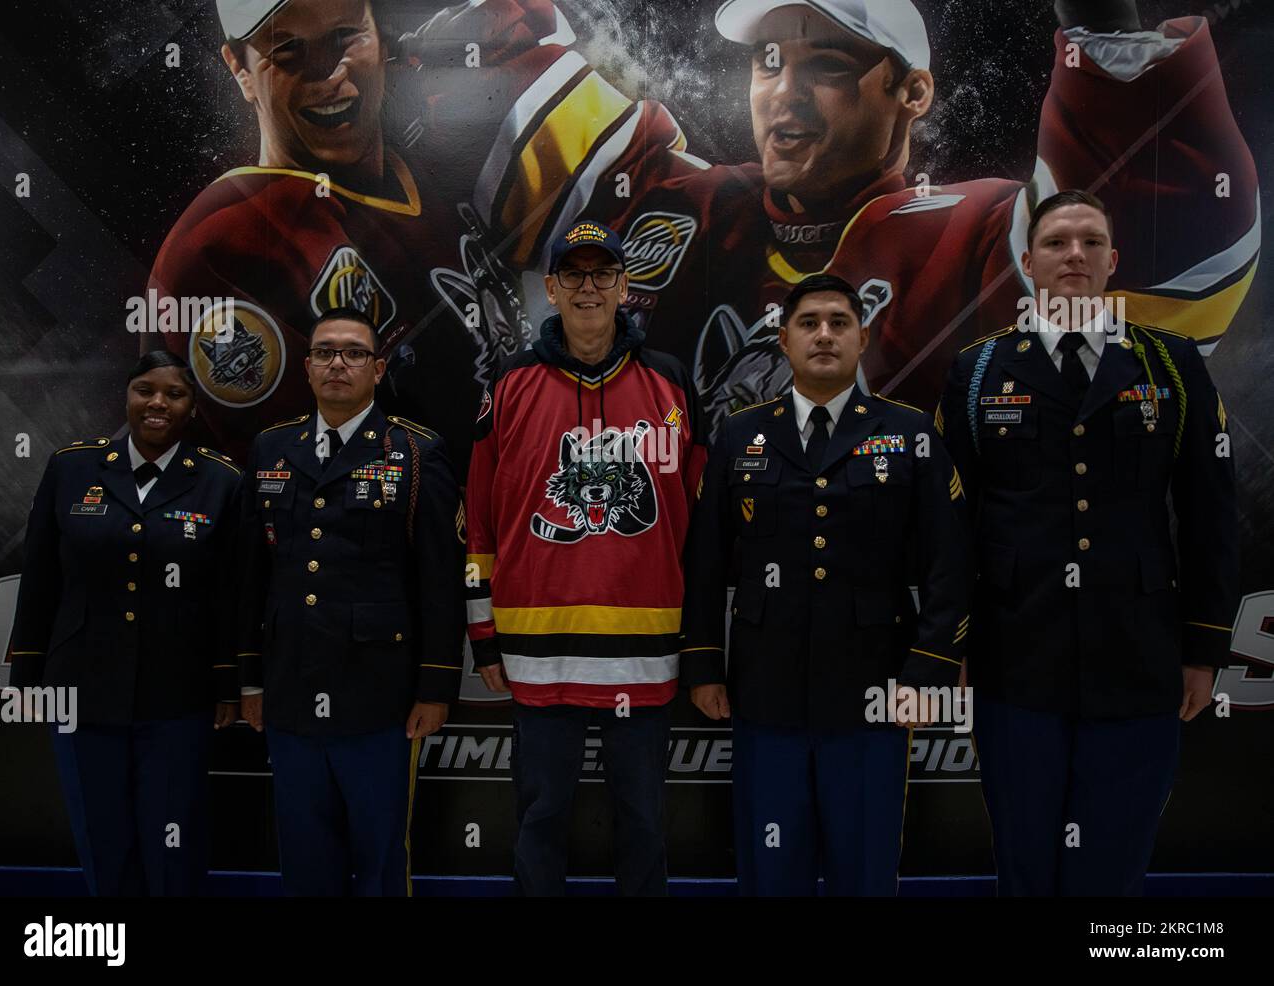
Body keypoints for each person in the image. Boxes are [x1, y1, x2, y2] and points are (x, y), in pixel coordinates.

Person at [405, 0, 1257, 426]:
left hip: (875, 637)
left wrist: (1103, 31)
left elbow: (1158, 246)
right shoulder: (679, 198)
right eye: (769, 61)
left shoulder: (969, 232)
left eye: (829, 64)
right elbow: (497, 91)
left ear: (913, 91)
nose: (785, 91)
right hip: (667, 630)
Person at [937, 190, 1240, 895]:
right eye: (1057, 242)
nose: (1075, 254)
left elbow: (1208, 513)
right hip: (1016, 661)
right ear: (1028, 261)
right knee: (1027, 860)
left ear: (1112, 261)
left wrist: (1203, 647)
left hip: (1138, 655)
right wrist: (950, 645)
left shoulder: (1171, 365)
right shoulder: (977, 371)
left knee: (1113, 864)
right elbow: (950, 527)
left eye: (1091, 242)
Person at [681, 274, 971, 895]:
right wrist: (704, 664)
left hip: (874, 694)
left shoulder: (912, 434)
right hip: (765, 694)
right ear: (783, 340)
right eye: (809, 323)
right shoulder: (738, 435)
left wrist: (928, 672)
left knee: (864, 870)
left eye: (839, 323)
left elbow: (952, 562)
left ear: (862, 337)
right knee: (771, 872)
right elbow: (705, 559)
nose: (824, 335)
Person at [146, 0, 526, 468]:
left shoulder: (438, 151)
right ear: (239, 69)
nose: (327, 74)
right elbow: (309, 491)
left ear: (381, 34)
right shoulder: (221, 247)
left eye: (346, 35)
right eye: (287, 50)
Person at [465, 220, 707, 895]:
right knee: (540, 820)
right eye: (573, 273)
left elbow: (705, 522)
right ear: (551, 288)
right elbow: (477, 518)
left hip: (647, 654)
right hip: (540, 657)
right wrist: (484, 638)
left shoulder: (672, 383)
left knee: (643, 823)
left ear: (626, 286)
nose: (589, 287)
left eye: (604, 274)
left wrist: (703, 646)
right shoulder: (509, 385)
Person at [236, 305, 465, 896]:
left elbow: (441, 579)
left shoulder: (416, 453)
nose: (339, 363)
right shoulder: (269, 449)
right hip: (288, 688)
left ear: (378, 368)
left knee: (382, 852)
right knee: (305, 854)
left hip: (379, 697)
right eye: (325, 352)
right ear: (307, 367)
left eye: (355, 352)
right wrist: (250, 680)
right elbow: (249, 575)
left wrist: (436, 686)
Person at [8, 351, 242, 895]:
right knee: (102, 840)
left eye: (174, 394)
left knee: (173, 844)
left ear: (192, 407)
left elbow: (233, 594)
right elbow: (40, 576)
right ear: (128, 395)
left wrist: (229, 681)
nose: (157, 403)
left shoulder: (221, 482)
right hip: (81, 687)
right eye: (145, 390)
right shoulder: (71, 467)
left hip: (178, 695)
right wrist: (27, 672)